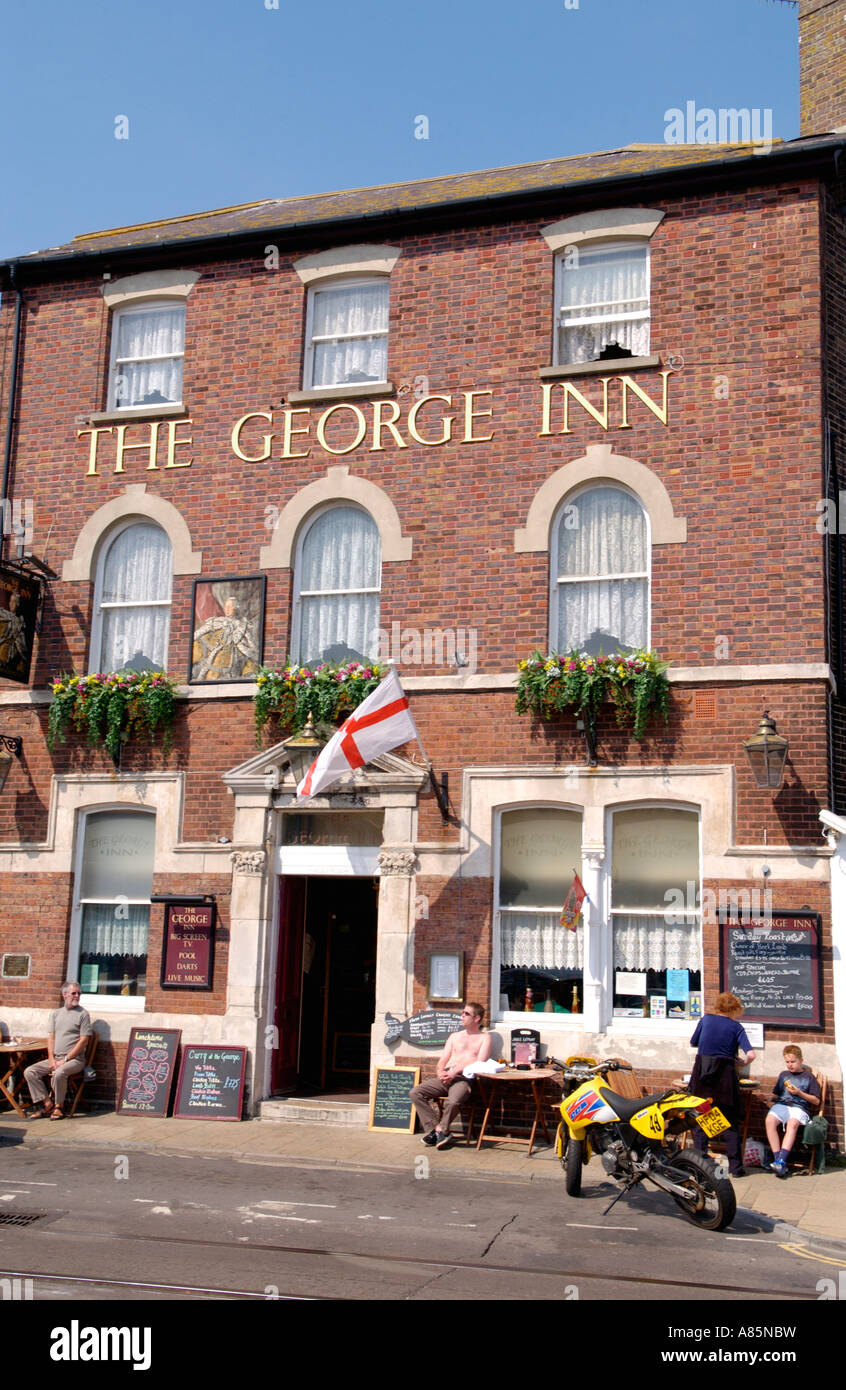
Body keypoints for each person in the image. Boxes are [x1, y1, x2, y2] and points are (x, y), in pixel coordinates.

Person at [689, 991, 755, 1178]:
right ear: (734, 1009)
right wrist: (742, 1063)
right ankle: (736, 1168)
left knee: (702, 1119)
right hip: (725, 1078)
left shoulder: (706, 1020)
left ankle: (700, 1166)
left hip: (702, 1076)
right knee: (730, 1123)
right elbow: (751, 1054)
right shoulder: (736, 1027)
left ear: (718, 1006)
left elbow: (694, 1042)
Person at [410, 1003, 492, 1149]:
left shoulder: (484, 1038)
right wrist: (440, 1072)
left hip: (463, 1078)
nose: (462, 1016)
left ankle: (442, 1130)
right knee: (416, 1092)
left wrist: (456, 1071)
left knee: (453, 1102)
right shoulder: (454, 1036)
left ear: (476, 1018)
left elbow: (479, 1062)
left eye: (466, 1014)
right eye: (463, 1013)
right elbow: (443, 1059)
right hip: (446, 1076)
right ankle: (435, 1130)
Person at [24, 981, 93, 1120]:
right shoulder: (56, 1014)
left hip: (75, 1060)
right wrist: (51, 1058)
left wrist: (65, 1060)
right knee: (30, 1071)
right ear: (64, 994)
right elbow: (51, 1037)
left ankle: (59, 1106)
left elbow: (84, 1040)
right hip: (56, 1058)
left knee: (59, 1073)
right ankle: (47, 1103)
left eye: (79, 993)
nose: (77, 996)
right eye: (74, 993)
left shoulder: (83, 1014)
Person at [764, 1044, 821, 1178]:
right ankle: (778, 1160)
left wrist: (799, 1093)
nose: (790, 1065)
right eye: (787, 1062)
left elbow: (816, 1101)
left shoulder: (809, 1077)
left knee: (792, 1122)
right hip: (782, 1104)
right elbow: (777, 1094)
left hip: (800, 1107)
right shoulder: (784, 1075)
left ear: (801, 1060)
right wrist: (770, 1098)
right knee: (769, 1120)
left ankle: (781, 1160)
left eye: (793, 1062)